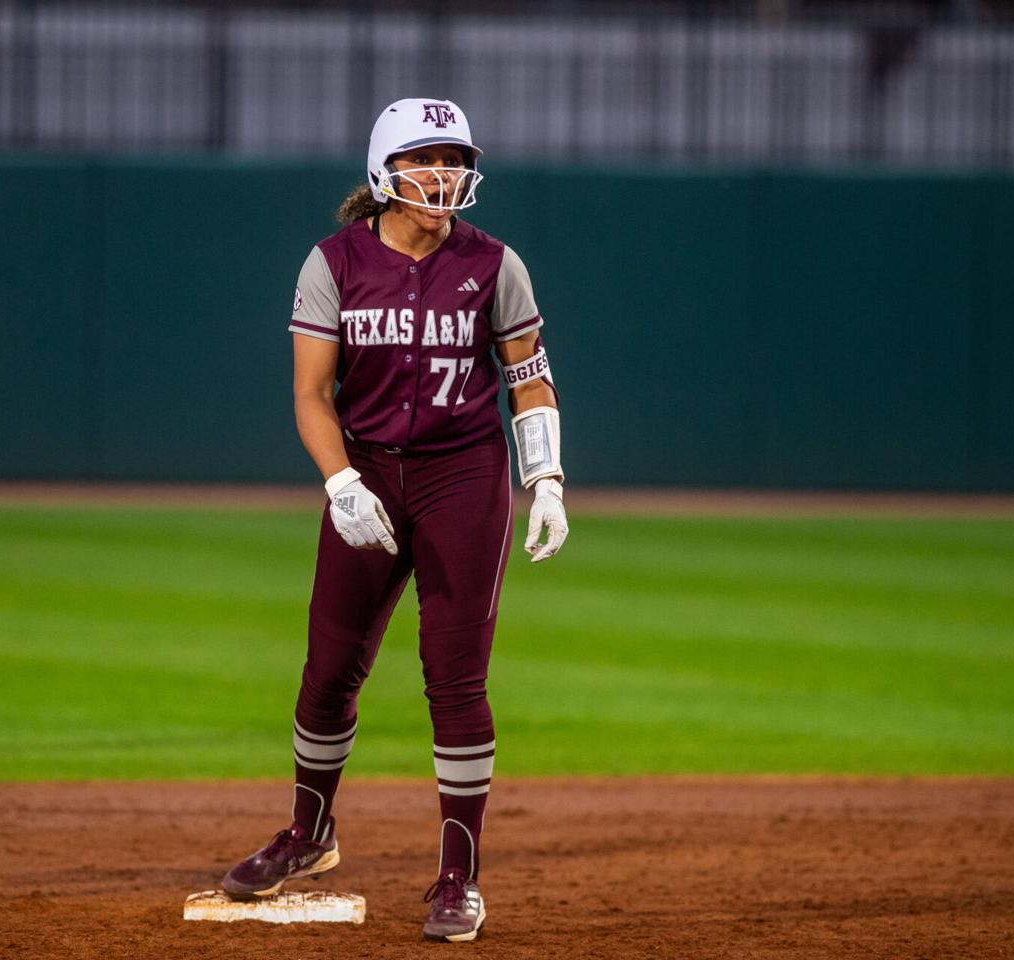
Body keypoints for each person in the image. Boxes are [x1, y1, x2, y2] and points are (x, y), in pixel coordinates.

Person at [219, 97, 568, 944]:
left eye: (455, 159)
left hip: (463, 477)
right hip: (368, 468)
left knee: (455, 679)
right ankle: (310, 833)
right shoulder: (334, 262)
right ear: (384, 171)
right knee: (330, 666)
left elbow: (528, 377)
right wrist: (340, 482)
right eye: (427, 157)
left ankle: (459, 875)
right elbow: (311, 395)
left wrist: (547, 476)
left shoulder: (495, 264)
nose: (445, 174)